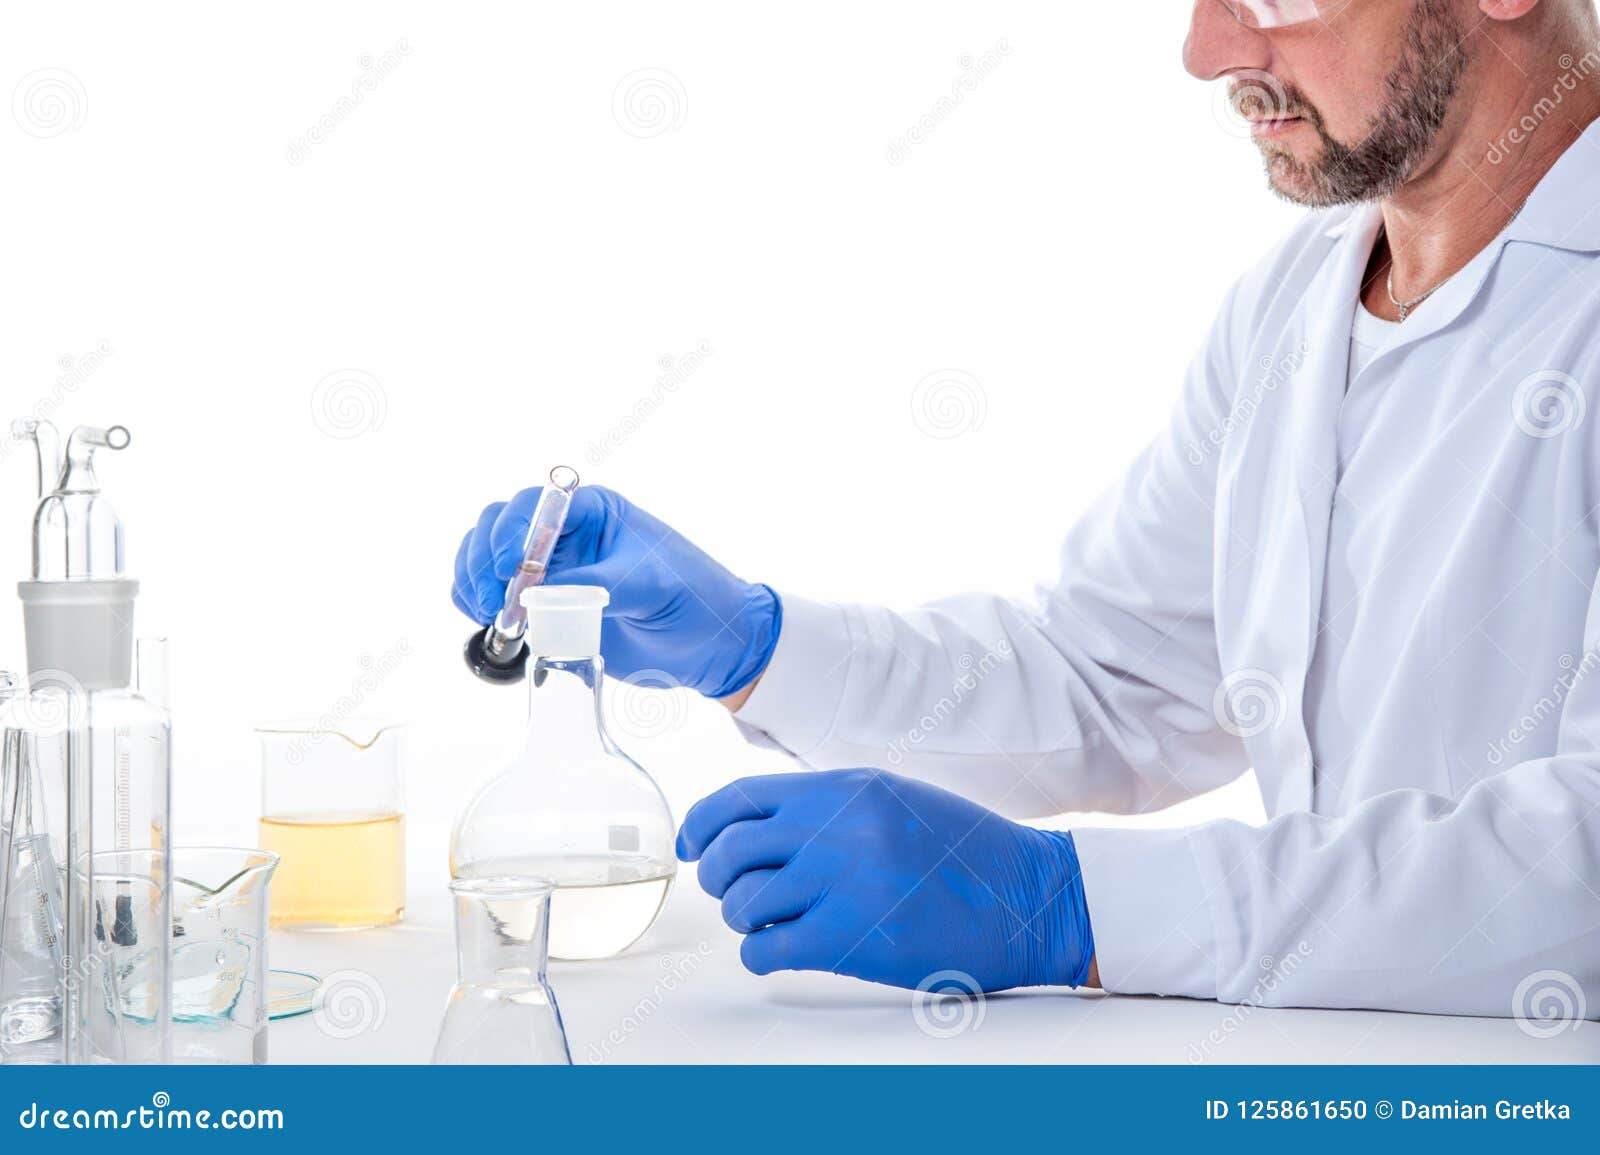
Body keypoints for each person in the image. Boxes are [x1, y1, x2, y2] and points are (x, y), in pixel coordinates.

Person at [454, 0, 1600, 1017]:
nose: (1206, 52)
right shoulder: (1296, 303)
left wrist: (1073, 906)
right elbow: (1112, 679)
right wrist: (758, 647)